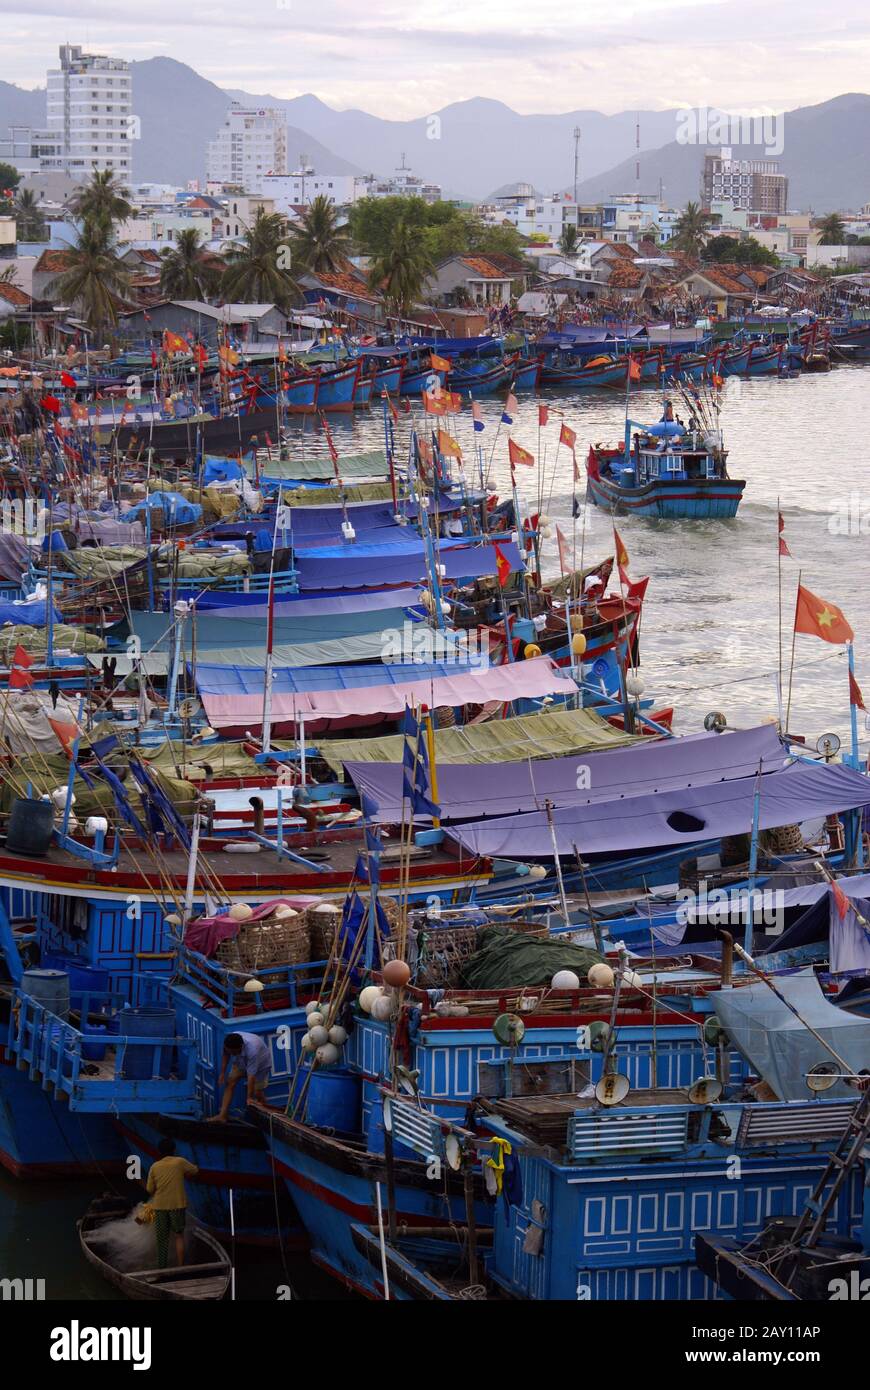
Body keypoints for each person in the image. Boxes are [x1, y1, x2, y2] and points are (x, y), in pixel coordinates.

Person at [145, 1137, 198, 1270]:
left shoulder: (154, 1166)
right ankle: (180, 1267)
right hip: (177, 1206)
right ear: (174, 1150)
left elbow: (149, 1189)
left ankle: (162, 1269)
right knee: (179, 1236)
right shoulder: (180, 1162)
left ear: (159, 1151)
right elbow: (195, 1170)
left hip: (160, 1207)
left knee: (162, 1240)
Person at [210, 1032, 271, 1122]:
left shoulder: (252, 1051)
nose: (231, 1054)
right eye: (230, 1051)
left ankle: (268, 1118)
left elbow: (251, 1076)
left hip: (261, 1064)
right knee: (230, 1082)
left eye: (233, 1052)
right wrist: (222, 1073)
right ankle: (222, 1116)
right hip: (241, 1062)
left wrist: (249, 1097)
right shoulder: (229, 1041)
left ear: (241, 1047)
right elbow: (226, 1055)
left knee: (257, 1093)